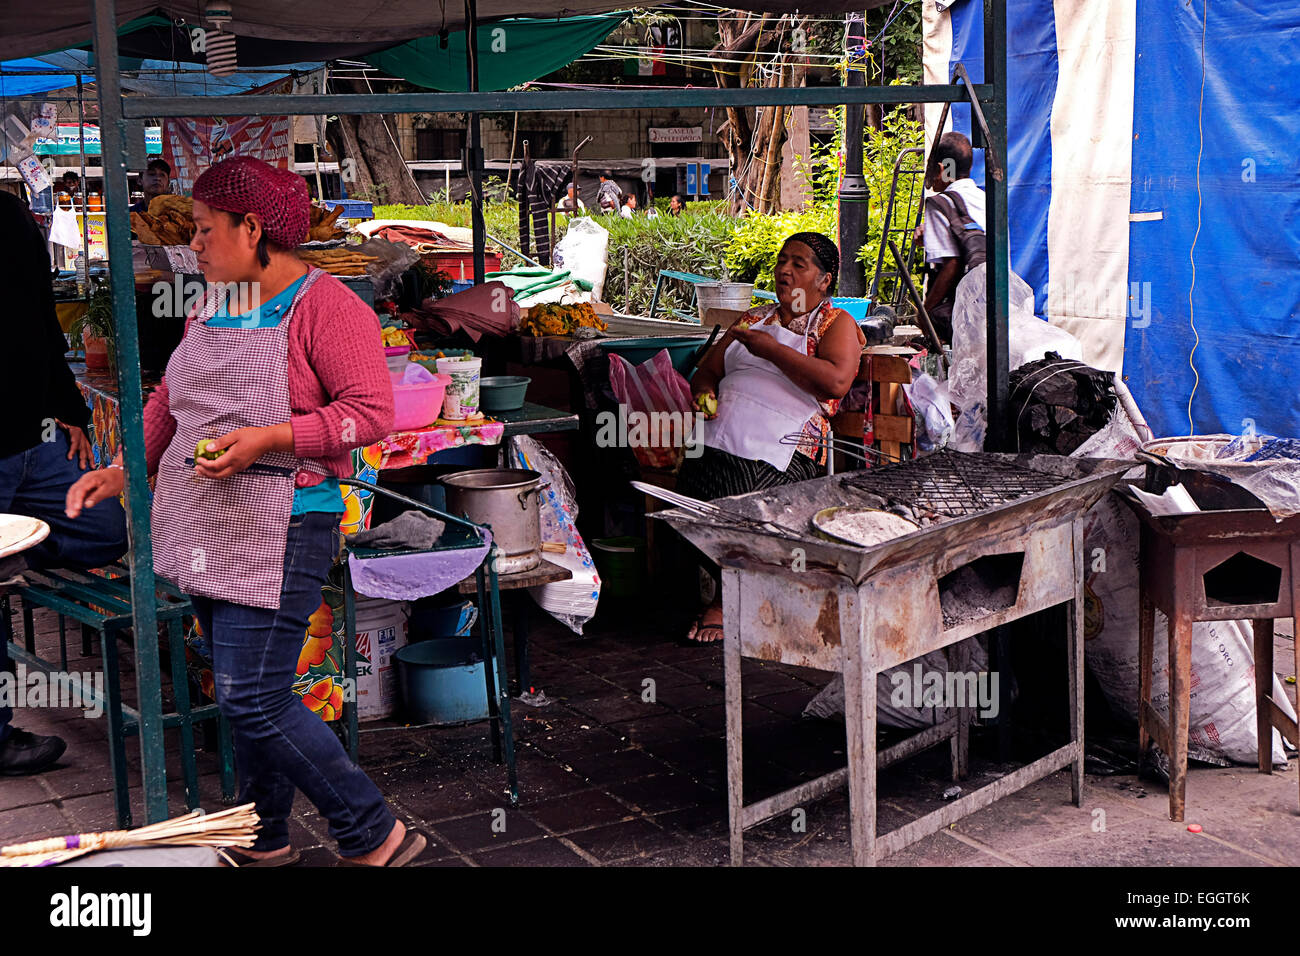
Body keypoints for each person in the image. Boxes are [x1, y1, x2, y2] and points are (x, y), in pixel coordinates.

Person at [66, 156, 424, 867]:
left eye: (204, 230)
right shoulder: (215, 301)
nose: (193, 245)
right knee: (244, 691)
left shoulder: (328, 307)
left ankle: (371, 829)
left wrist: (274, 437)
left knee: (252, 697)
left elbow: (371, 414)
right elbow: (172, 398)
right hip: (207, 522)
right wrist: (122, 468)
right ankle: (266, 837)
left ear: (251, 227)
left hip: (286, 521)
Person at [680, 232, 864, 643]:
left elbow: (835, 382)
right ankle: (738, 586)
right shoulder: (752, 320)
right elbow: (708, 369)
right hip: (721, 432)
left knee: (739, 490)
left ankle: (728, 599)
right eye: (783, 261)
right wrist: (704, 391)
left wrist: (771, 351)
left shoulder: (837, 323)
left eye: (800, 264)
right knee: (685, 499)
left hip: (785, 445)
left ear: (825, 280)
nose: (785, 270)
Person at [0, 192, 128, 775]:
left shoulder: (8, 217)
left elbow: (40, 319)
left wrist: (69, 407)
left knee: (105, 528)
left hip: (35, 439)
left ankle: (11, 557)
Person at [920, 131, 986, 342]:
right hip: (991, 307)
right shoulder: (985, 198)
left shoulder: (940, 204)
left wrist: (924, 312)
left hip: (960, 314)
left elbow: (952, 265)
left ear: (942, 168)